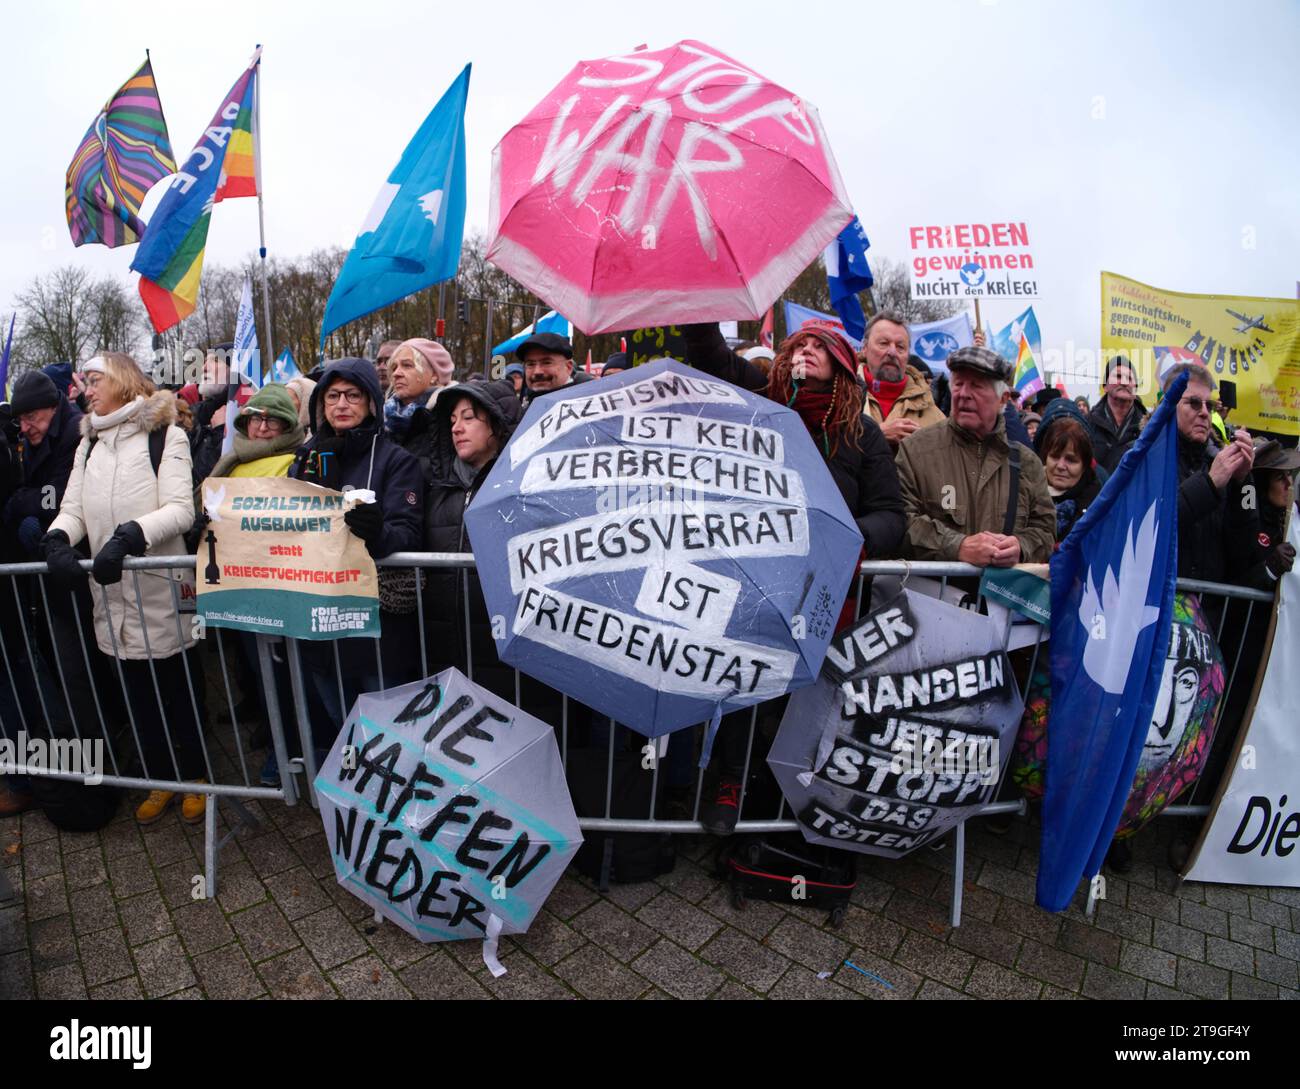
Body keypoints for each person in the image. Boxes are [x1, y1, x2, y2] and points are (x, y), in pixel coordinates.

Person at [682, 320, 906, 833]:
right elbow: (712, 356)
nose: (805, 351)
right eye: (798, 344)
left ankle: (801, 797)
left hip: (823, 593)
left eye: (818, 347)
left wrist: (846, 542)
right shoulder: (760, 407)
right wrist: (699, 308)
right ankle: (731, 780)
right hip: (755, 583)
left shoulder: (861, 433)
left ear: (842, 364)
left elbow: (892, 516)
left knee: (810, 700)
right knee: (745, 683)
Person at [40, 352, 208, 825]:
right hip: (110, 595)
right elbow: (72, 507)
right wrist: (57, 537)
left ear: (123, 381)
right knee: (136, 694)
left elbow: (180, 510)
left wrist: (130, 535)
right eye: (85, 383)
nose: (86, 391)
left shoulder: (165, 435)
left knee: (180, 689)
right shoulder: (88, 445)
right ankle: (160, 779)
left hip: (161, 591)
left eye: (95, 380)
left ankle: (196, 779)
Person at [289, 359, 425, 742]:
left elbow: (409, 535)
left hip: (375, 631)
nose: (342, 404)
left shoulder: (396, 460)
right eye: (333, 396)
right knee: (344, 727)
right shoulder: (305, 462)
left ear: (370, 403)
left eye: (353, 395)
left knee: (389, 734)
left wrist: (378, 531)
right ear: (320, 405)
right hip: (319, 625)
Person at [198, 383, 308, 786]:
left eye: (271, 419)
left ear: (287, 423)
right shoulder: (232, 461)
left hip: (282, 588)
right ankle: (278, 743)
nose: (261, 427)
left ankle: (292, 756)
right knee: (260, 676)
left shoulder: (296, 460)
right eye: (254, 418)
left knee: (287, 679)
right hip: (242, 587)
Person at [896, 346, 1056, 566]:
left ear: (1003, 399)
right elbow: (900, 521)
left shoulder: (1027, 463)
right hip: (932, 596)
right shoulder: (916, 450)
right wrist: (957, 546)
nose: (964, 394)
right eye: (959, 384)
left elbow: (1045, 530)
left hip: (997, 598)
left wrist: (1021, 547)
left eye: (977, 386)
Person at [423, 381, 522, 698]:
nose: (457, 428)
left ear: (496, 423)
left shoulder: (518, 486)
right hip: (446, 645)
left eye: (468, 418)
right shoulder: (438, 488)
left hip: (501, 651)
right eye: (452, 420)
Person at [1168, 362, 1271, 587]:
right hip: (1157, 607)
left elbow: (1245, 547)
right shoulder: (1142, 458)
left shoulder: (1219, 462)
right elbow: (1156, 525)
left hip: (1209, 611)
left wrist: (1244, 481)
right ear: (1168, 406)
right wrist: (1209, 484)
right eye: (1194, 403)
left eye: (1210, 405)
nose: (1205, 413)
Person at [857, 312, 945, 446]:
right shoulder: (839, 395)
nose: (892, 352)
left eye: (900, 347)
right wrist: (878, 434)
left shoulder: (934, 415)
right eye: (884, 343)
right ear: (865, 349)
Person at [383, 338, 457, 474]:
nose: (396, 373)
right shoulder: (385, 421)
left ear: (435, 374)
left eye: (407, 365)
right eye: (394, 367)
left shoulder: (452, 417)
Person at [1033, 399, 1103, 541]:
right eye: (1054, 456)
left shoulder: (1099, 506)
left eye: (1071, 460)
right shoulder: (1025, 493)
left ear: (1085, 465)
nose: (1060, 466)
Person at [1089, 355, 1147, 474]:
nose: (1125, 382)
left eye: (1129, 378)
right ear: (1105, 386)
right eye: (1119, 376)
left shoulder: (1149, 428)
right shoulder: (1087, 424)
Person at [517, 332, 591, 407]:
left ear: (568, 367)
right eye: (531, 364)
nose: (537, 372)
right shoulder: (524, 407)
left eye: (546, 363)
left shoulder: (588, 405)